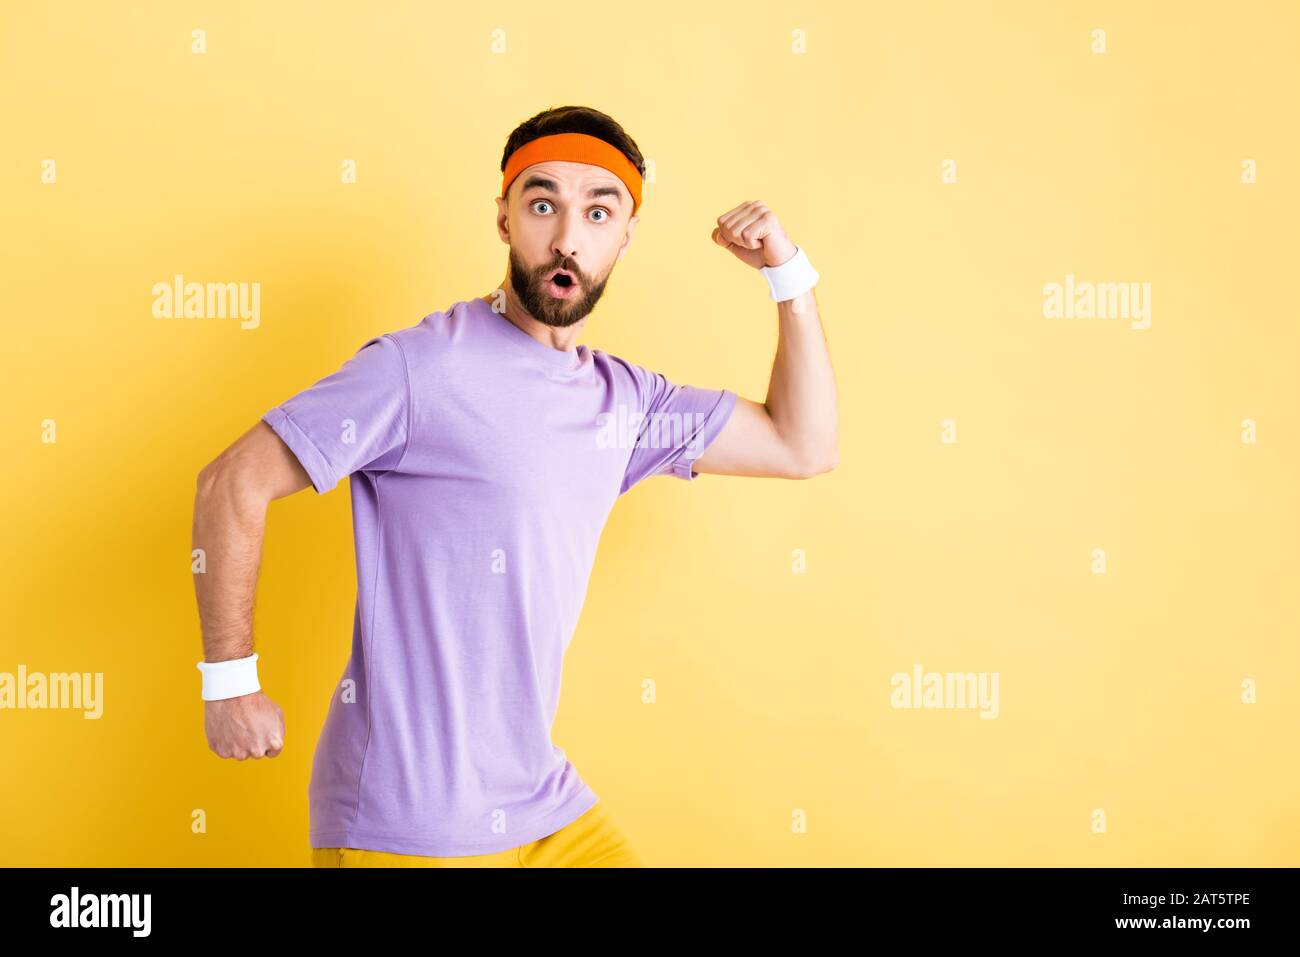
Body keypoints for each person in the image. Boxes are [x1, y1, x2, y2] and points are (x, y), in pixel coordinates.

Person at [191, 105, 837, 868]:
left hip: (541, 805)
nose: (567, 236)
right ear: (504, 219)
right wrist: (229, 683)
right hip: (410, 819)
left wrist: (785, 271)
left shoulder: (623, 406)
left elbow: (804, 443)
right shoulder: (419, 369)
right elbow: (230, 482)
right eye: (542, 204)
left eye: (598, 211)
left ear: (623, 237)